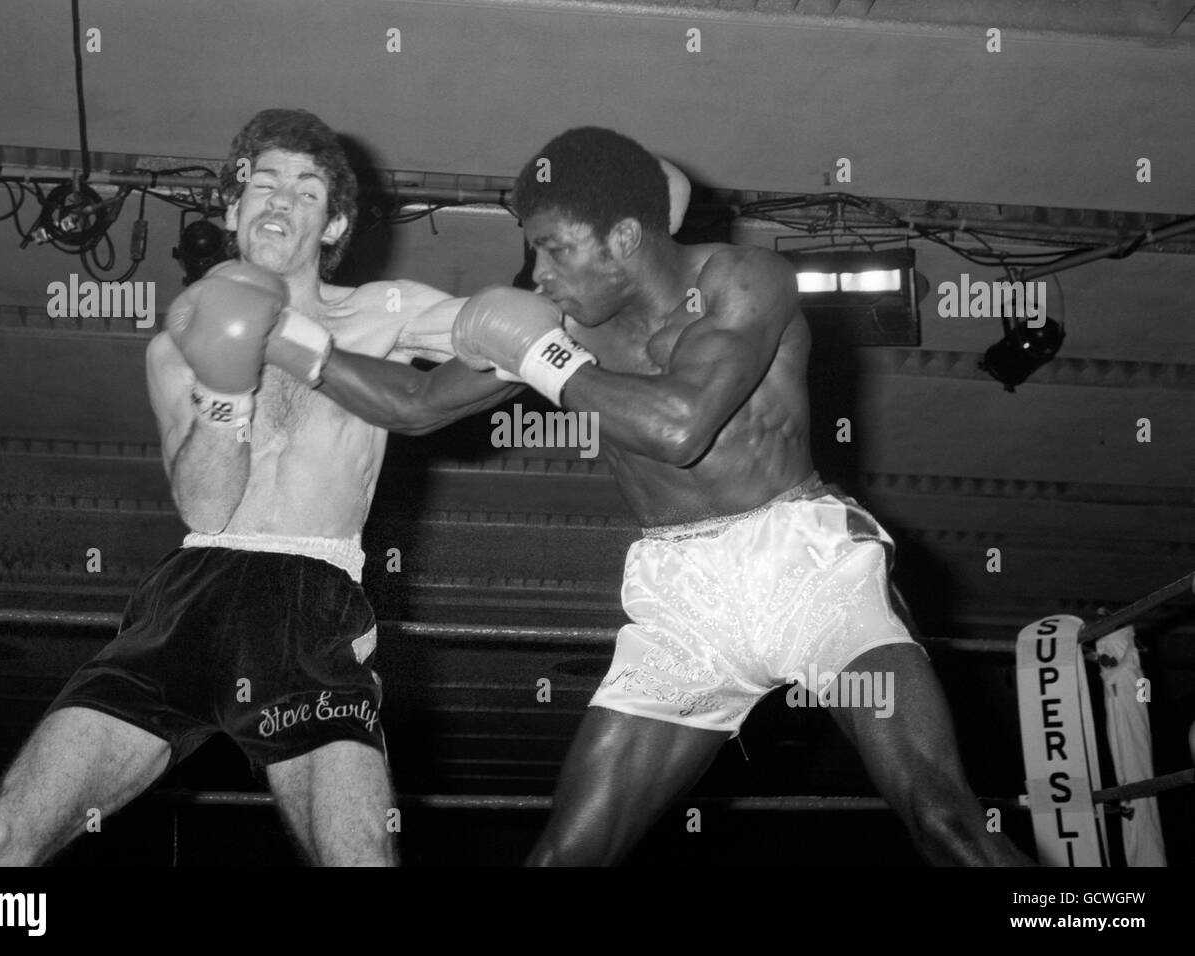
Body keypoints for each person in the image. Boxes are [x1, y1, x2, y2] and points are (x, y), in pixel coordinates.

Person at [311, 126, 1033, 866]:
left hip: (808, 573)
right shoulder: (556, 324)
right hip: (686, 607)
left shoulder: (744, 279)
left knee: (945, 821)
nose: (539, 275)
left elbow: (681, 426)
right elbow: (418, 404)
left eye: (555, 248)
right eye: (533, 251)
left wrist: (543, 359)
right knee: (563, 859)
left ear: (625, 236)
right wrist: (296, 345)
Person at [0, 108, 469, 867]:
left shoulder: (383, 313)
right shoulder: (175, 348)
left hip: (312, 596)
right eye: (263, 184)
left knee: (358, 854)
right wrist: (227, 390)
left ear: (333, 227)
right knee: (6, 831)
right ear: (232, 209)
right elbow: (202, 505)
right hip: (193, 593)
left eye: (306, 191)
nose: (280, 200)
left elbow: (505, 341)